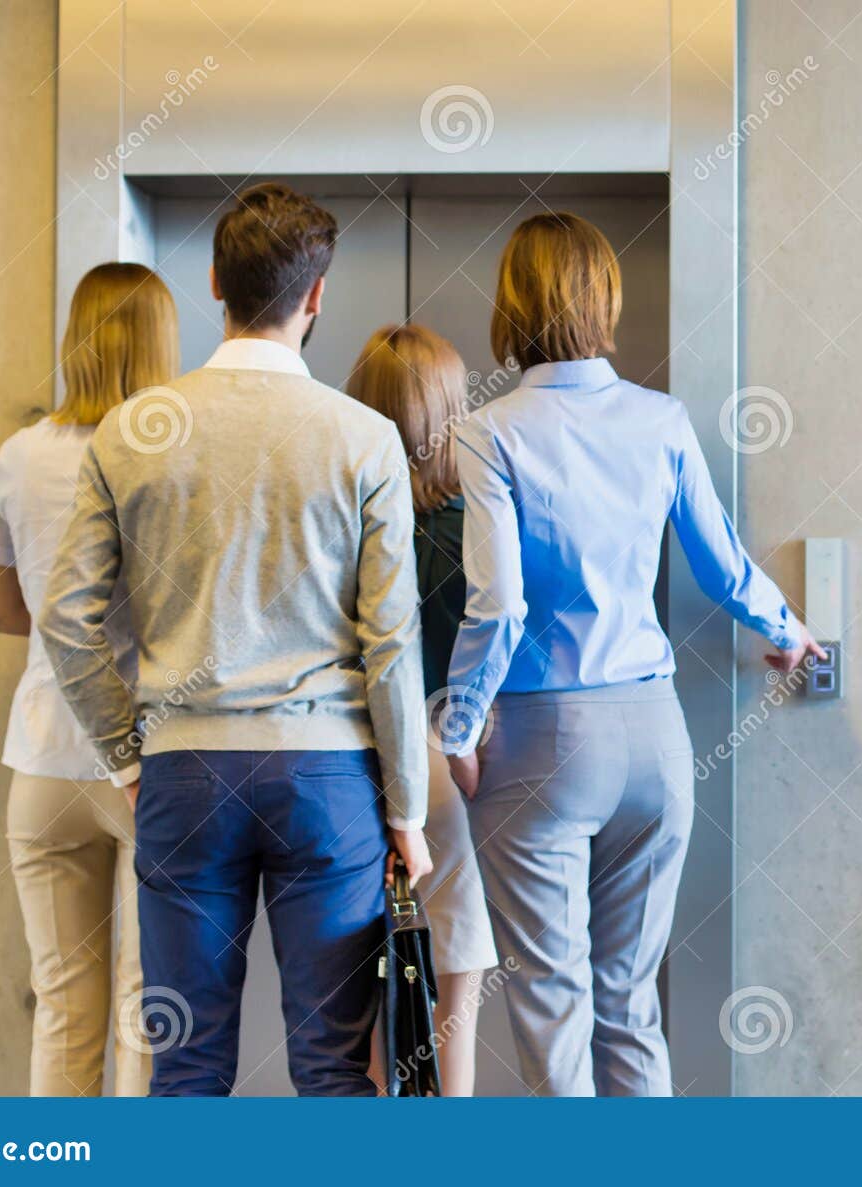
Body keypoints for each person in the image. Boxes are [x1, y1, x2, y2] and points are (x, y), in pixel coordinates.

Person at [38, 182, 431, 1097]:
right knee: (333, 1068)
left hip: (185, 775)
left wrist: (129, 756)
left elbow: (65, 617)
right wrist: (405, 808)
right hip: (327, 779)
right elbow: (393, 644)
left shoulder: (133, 432)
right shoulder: (365, 440)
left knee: (188, 1065)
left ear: (215, 282)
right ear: (318, 294)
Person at [441, 212, 826, 1096]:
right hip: (655, 741)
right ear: (601, 299)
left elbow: (498, 605)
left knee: (554, 1009)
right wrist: (789, 633)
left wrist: (458, 728)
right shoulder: (661, 419)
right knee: (630, 1007)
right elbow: (724, 566)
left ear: (513, 305)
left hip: (541, 744)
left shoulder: (489, 432)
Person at [0, 261, 178, 1096]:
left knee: (62, 1005)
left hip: (46, 756)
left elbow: (3, 612)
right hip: (151, 764)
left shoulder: (20, 455)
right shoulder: (174, 452)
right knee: (144, 1007)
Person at [347, 324, 499, 1096]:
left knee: (374, 996)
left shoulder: (344, 528)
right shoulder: (468, 528)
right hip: (449, 771)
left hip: (351, 771)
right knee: (455, 1000)